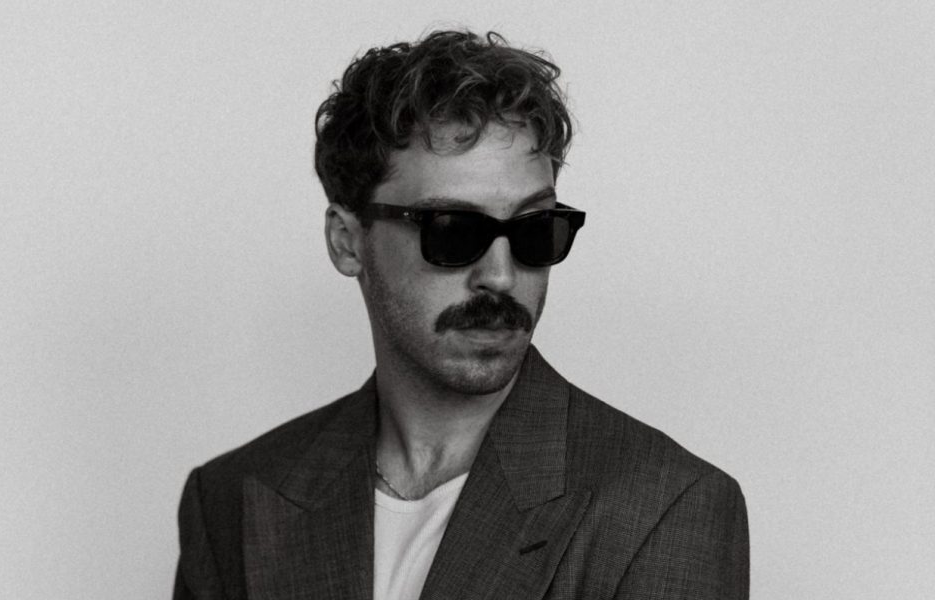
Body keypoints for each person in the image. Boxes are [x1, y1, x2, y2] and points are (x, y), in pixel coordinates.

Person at [173, 30, 749, 600]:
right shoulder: (231, 501)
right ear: (348, 241)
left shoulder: (665, 510)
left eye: (534, 230)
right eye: (453, 231)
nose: (500, 276)